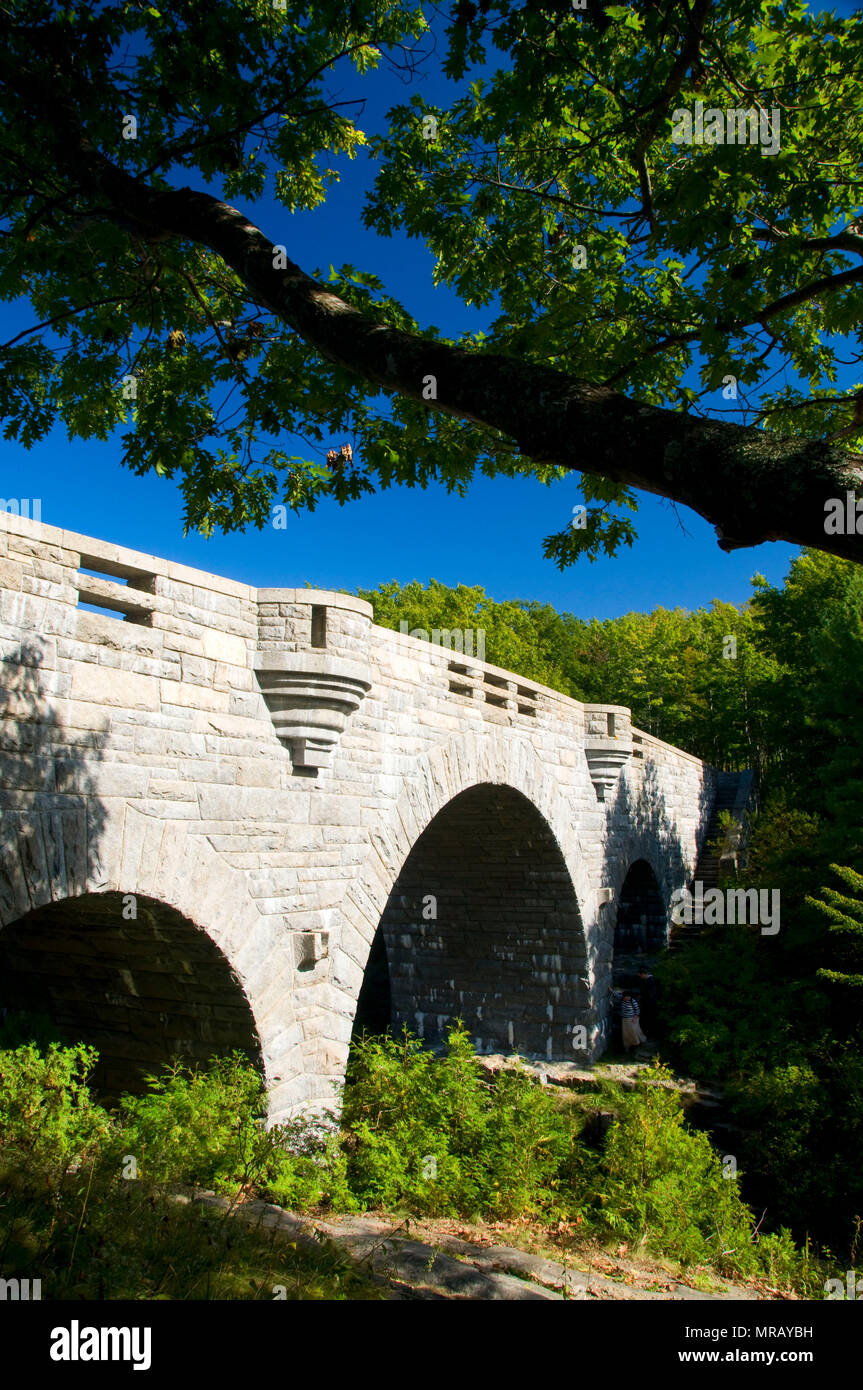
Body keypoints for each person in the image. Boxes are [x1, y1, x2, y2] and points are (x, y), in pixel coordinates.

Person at [637, 967, 659, 1036]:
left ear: (643, 974)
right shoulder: (647, 980)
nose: (640, 977)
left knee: (650, 1019)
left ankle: (650, 1034)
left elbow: (650, 994)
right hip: (648, 1003)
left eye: (640, 975)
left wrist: (642, 996)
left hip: (649, 1004)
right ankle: (648, 1033)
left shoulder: (651, 980)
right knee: (647, 1019)